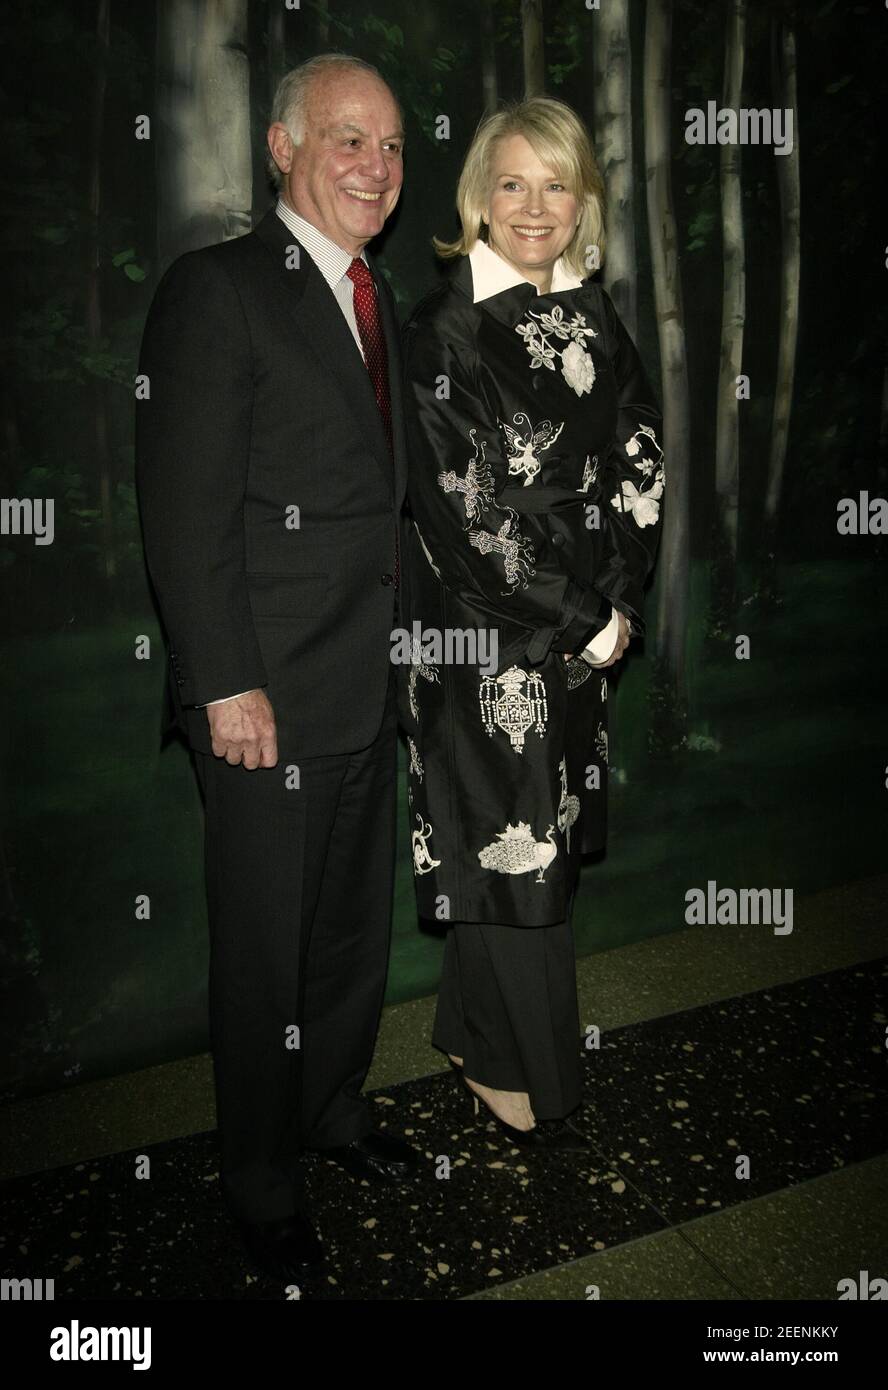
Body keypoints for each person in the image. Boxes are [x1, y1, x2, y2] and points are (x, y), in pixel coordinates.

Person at [135, 54, 417, 1280]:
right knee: (264, 957)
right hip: (264, 703)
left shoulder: (376, 296)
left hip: (365, 689)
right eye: (349, 139)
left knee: (352, 936)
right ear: (282, 146)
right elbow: (184, 513)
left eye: (395, 147)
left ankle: (335, 1114)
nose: (376, 165)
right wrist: (222, 682)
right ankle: (260, 1185)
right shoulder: (221, 289)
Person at [400, 97, 665, 1146]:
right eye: (512, 182)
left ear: (584, 198)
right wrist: (585, 613)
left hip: (583, 631)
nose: (535, 205)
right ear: (476, 197)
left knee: (529, 839)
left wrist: (621, 598)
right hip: (479, 635)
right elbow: (464, 509)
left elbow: (641, 457)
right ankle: (525, 1072)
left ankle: (470, 1029)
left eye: (558, 183)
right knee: (513, 849)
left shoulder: (599, 315)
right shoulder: (443, 329)